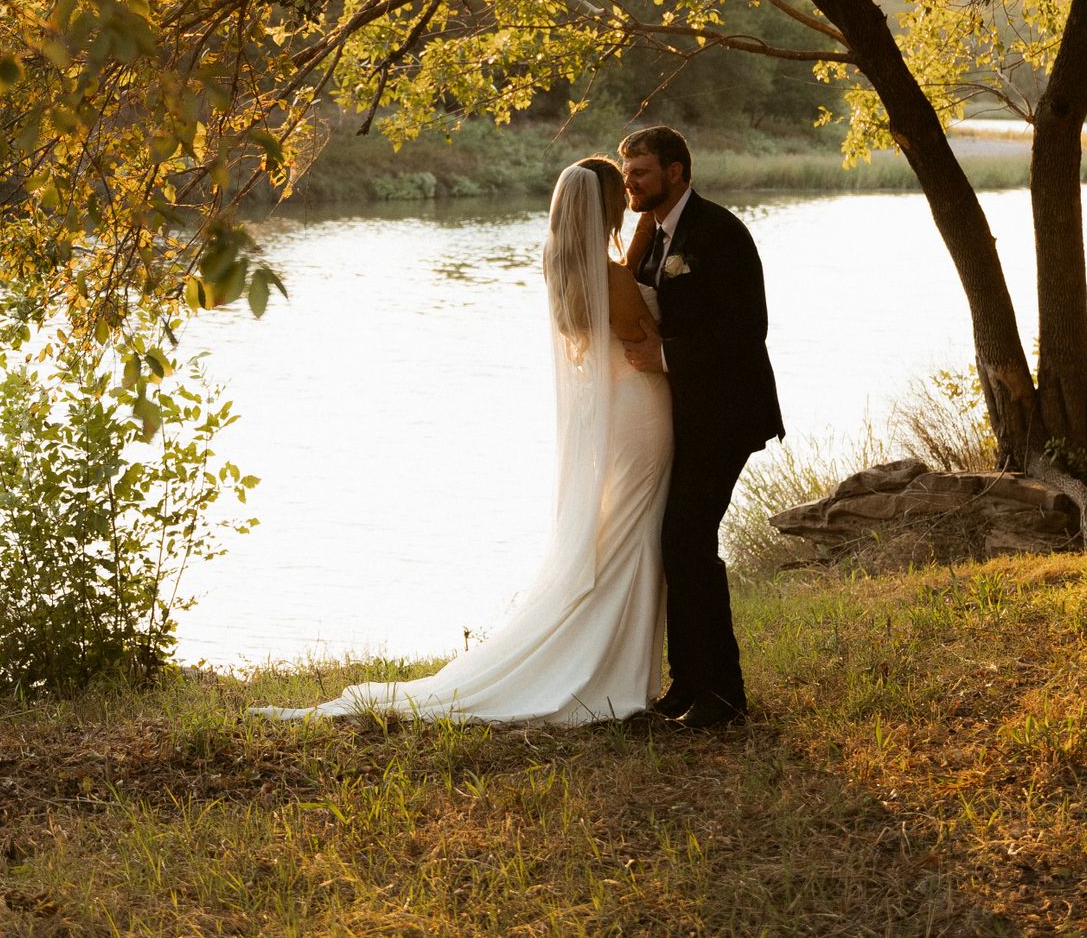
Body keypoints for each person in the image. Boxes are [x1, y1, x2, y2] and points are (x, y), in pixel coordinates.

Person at [257, 156, 673, 725]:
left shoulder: (564, 266)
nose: (628, 199)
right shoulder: (616, 275)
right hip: (641, 410)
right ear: (604, 208)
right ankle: (608, 670)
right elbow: (642, 341)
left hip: (617, 415)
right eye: (617, 196)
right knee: (632, 537)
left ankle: (609, 662)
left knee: (617, 535)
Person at [617, 124, 784, 729]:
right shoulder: (656, 236)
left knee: (687, 541)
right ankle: (688, 686)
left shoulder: (719, 232)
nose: (630, 182)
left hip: (726, 413)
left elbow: (746, 330)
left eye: (640, 172)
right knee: (678, 545)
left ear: (678, 171)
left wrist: (665, 358)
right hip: (683, 416)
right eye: (627, 171)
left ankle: (724, 695)